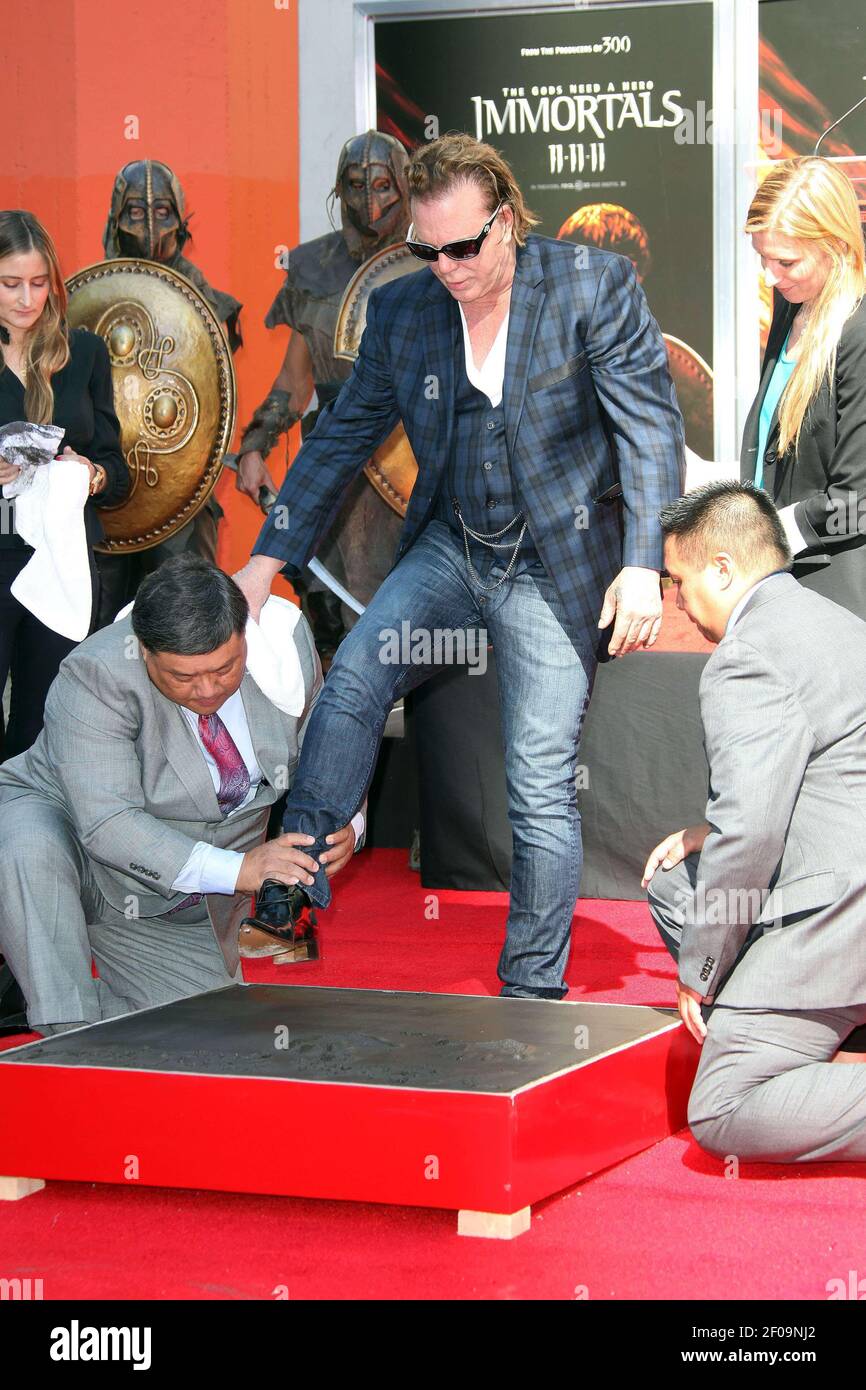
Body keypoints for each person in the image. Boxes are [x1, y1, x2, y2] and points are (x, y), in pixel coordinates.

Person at [234, 132, 684, 1001]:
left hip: (556, 564)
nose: (446, 267)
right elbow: (336, 445)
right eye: (425, 249)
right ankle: (291, 892)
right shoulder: (406, 312)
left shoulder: (593, 288)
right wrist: (264, 560)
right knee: (354, 679)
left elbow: (651, 431)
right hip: (452, 545)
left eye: (465, 247)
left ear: (507, 222)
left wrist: (642, 563)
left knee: (539, 775)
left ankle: (531, 994)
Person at [0, 555, 359, 1037]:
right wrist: (242, 870)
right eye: (183, 678)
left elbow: (333, 742)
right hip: (70, 845)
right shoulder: (96, 673)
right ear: (143, 651)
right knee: (24, 842)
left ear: (244, 637)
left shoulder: (283, 642)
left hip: (175, 900)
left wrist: (347, 823)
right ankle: (68, 1031)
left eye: (224, 668)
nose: (208, 689)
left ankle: (87, 1018)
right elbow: (107, 824)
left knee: (205, 1038)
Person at [644, 481, 866, 1163]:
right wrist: (708, 834)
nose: (678, 600)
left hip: (843, 915)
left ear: (722, 569)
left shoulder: (745, 656)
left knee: (720, 1108)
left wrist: (699, 969)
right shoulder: (843, 625)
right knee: (673, 877)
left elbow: (753, 833)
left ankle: (777, 1014)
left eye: (679, 580)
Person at [234, 130, 411, 659]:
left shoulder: (438, 259)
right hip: (334, 453)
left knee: (410, 614)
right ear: (339, 190)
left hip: (412, 456)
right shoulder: (314, 270)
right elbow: (295, 379)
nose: (370, 201)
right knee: (329, 617)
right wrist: (254, 446)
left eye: (383, 185)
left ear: (405, 186)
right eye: (356, 186)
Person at [93, 159, 244, 627]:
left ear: (180, 217)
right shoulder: (97, 292)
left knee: (183, 619)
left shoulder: (202, 297)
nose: (151, 224)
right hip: (106, 489)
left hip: (179, 485)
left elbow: (214, 402)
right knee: (100, 625)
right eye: (136, 212)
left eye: (162, 210)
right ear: (117, 216)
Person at [0, 209, 128, 759]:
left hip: (63, 559)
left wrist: (89, 473)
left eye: (37, 284)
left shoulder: (85, 354)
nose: (26, 300)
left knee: (41, 726)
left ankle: (28, 841)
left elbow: (117, 475)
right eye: (9, 284)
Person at [742, 155, 866, 621]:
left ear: (834, 244)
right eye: (762, 258)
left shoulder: (859, 332)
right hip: (781, 586)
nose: (770, 275)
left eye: (785, 260)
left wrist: (766, 535)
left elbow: (857, 499)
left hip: (838, 600)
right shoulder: (792, 302)